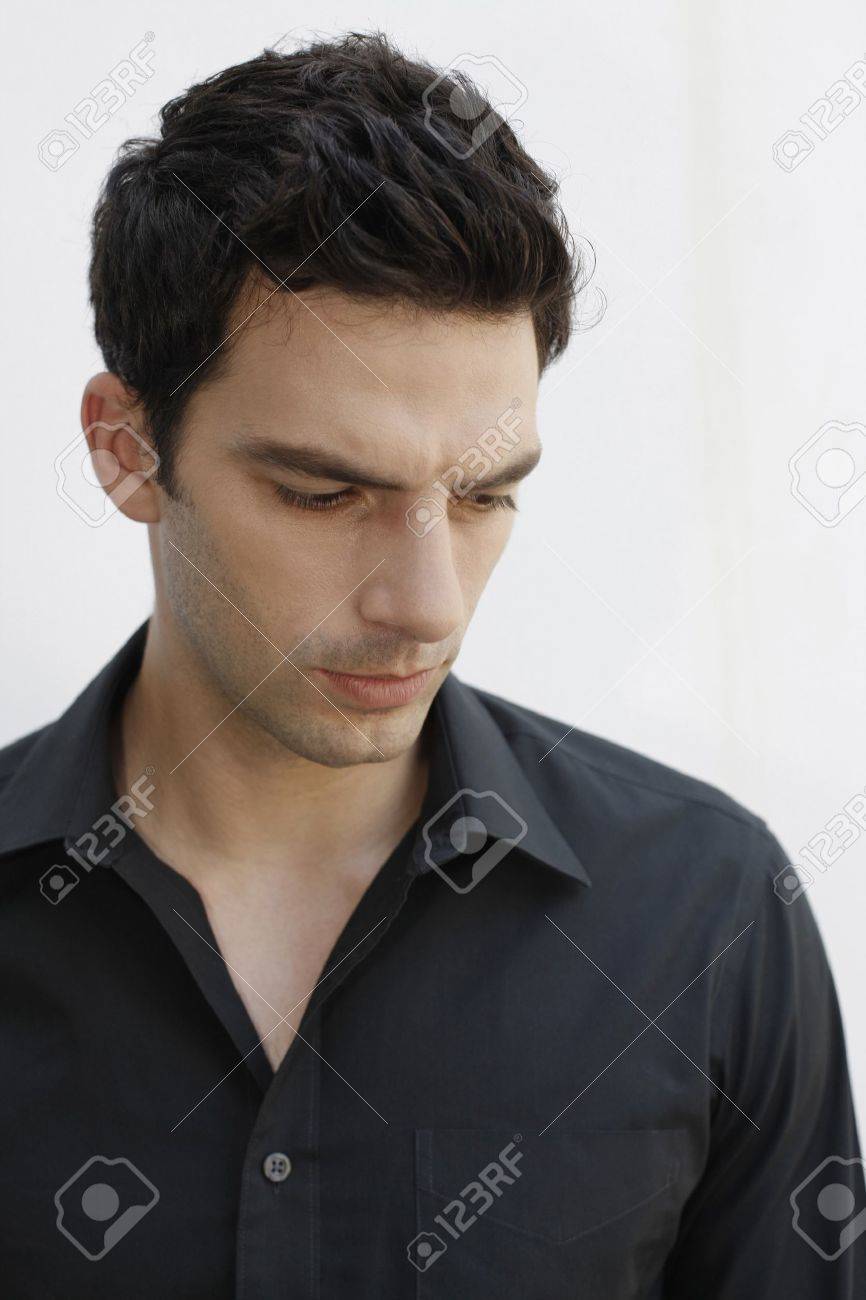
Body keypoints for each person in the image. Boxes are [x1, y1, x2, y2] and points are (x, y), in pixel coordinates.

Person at [1, 31, 861, 1299]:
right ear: (128, 451)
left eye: (482, 496)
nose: (427, 603)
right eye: (322, 493)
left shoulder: (708, 913)